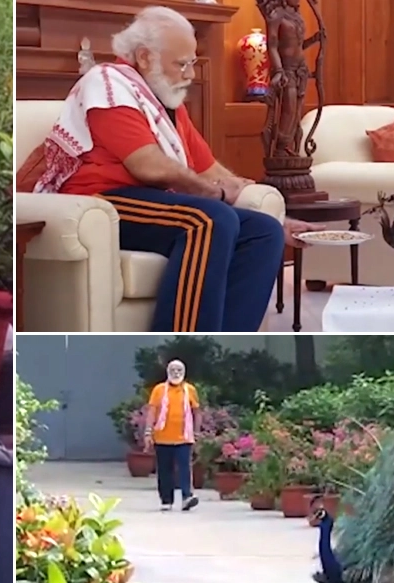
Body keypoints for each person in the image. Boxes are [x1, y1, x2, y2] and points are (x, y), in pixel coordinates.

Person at [32, 6, 325, 332]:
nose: (189, 74)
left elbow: (210, 169)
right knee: (208, 220)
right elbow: (149, 166)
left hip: (153, 204)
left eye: (192, 63)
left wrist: (280, 220)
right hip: (100, 200)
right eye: (181, 64)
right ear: (144, 57)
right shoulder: (108, 84)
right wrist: (214, 194)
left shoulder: (164, 103)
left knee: (263, 232)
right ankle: (182, 353)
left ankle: (225, 354)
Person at [143, 360, 200, 511]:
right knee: (164, 470)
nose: (176, 373)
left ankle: (187, 496)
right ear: (168, 372)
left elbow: (196, 412)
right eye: (173, 370)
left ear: (184, 372)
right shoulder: (159, 389)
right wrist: (148, 432)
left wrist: (196, 432)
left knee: (184, 468)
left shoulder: (189, 390)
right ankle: (166, 500)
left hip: (184, 437)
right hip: (162, 438)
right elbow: (152, 411)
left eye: (179, 370)